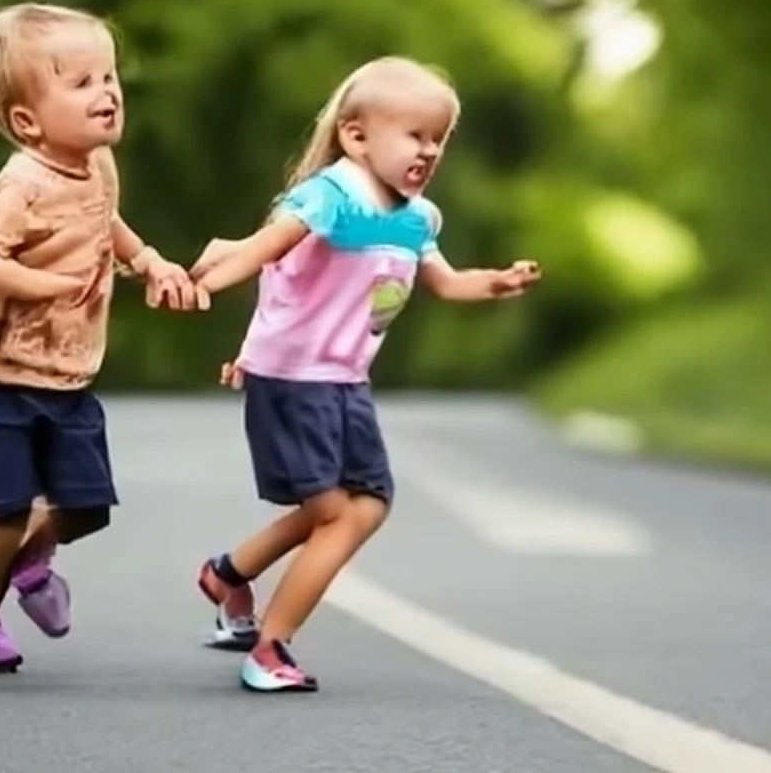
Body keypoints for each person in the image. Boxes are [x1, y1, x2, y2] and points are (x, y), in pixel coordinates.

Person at [190, 56, 541, 692]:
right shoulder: (330, 196)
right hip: (293, 378)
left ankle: (228, 573)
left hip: (345, 381)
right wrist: (203, 284)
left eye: (439, 139)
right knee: (334, 513)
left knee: (367, 504)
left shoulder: (417, 217)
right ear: (356, 136)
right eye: (415, 135)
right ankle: (269, 647)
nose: (429, 150)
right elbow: (263, 250)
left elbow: (446, 283)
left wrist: (495, 282)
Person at [0, 3, 204, 672]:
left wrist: (149, 261)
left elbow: (104, 219)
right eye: (81, 83)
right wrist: (47, 285)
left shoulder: (98, 165)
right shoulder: (21, 184)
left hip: (65, 369)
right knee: (7, 507)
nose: (106, 93)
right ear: (28, 121)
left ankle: (30, 562)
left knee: (87, 505)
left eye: (108, 77)